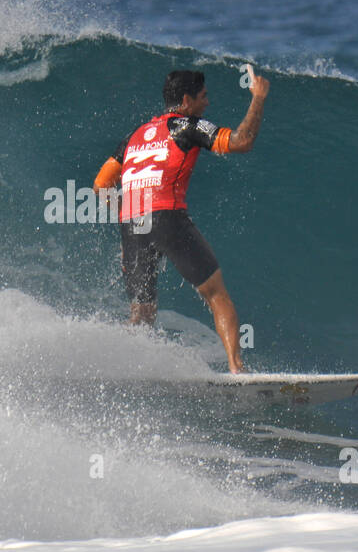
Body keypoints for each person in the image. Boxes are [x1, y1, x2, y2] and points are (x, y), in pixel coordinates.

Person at [93, 68, 269, 373]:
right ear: (186, 100)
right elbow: (242, 141)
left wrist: (126, 215)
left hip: (132, 223)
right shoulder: (188, 126)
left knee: (141, 314)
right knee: (215, 294)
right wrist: (258, 98)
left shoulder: (134, 136)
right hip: (166, 217)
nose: (207, 102)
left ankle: (116, 367)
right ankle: (237, 368)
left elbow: (101, 185)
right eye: (203, 97)